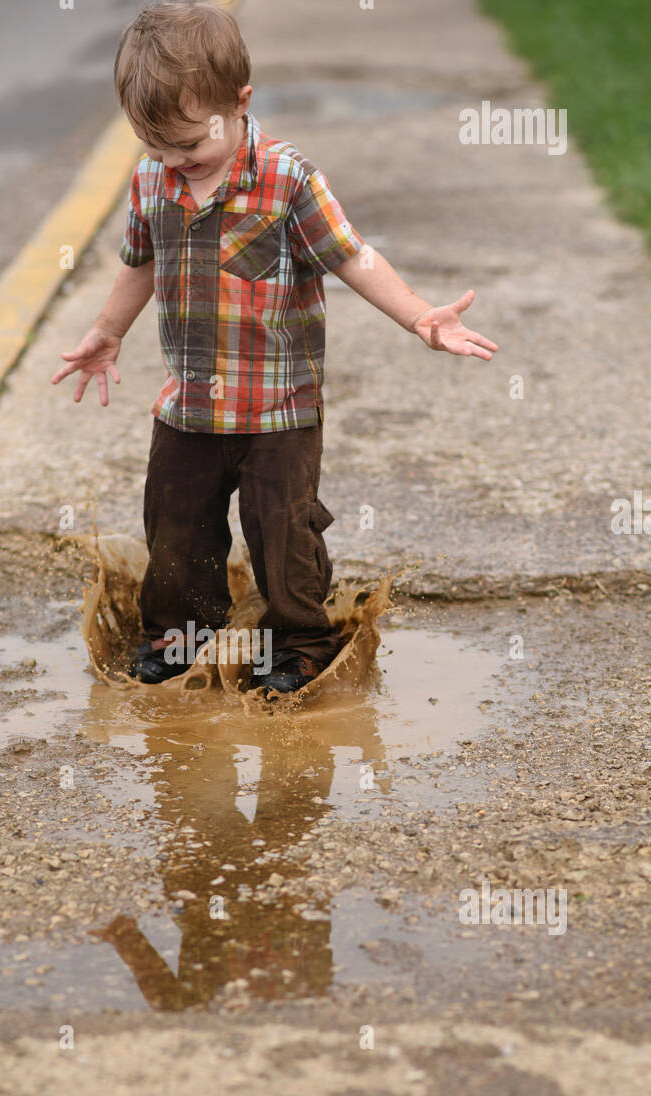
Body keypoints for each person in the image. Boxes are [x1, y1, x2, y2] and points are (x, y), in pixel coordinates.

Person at [52, 2, 498, 692]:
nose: (175, 164)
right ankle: (179, 635)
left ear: (240, 104)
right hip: (191, 405)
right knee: (174, 525)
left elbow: (352, 258)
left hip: (280, 410)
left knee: (283, 532)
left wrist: (419, 318)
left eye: (189, 147)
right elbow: (141, 261)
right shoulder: (153, 181)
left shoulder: (288, 179)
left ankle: (300, 643)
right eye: (156, 148)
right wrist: (108, 331)